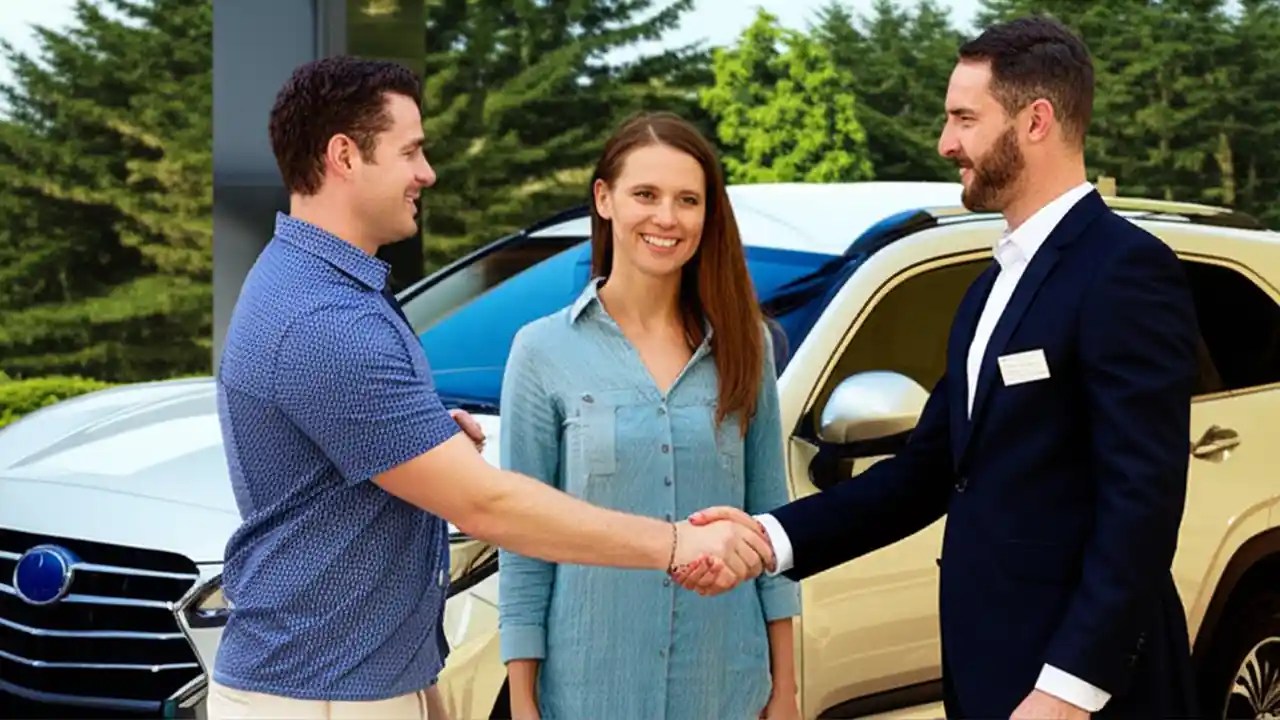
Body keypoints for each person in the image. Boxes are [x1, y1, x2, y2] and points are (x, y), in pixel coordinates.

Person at [209, 57, 773, 720]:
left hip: (353, 683)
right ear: (343, 156)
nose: (427, 173)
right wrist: (677, 543)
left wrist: (420, 436)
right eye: (411, 151)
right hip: (326, 697)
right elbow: (486, 507)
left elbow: (336, 450)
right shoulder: (325, 319)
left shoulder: (317, 287)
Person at [681, 16, 1201, 720]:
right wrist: (765, 539)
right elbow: (926, 472)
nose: (945, 142)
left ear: (1036, 120)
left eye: (964, 118)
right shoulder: (991, 285)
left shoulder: (1126, 272)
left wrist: (1069, 691)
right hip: (989, 674)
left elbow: (1140, 507)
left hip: (1083, 695)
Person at [496, 111, 802, 720]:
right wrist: (524, 703)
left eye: (688, 200)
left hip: (725, 689)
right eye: (646, 195)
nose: (667, 218)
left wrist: (785, 692)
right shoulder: (540, 351)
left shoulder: (749, 346)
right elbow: (522, 545)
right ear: (604, 199)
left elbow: (773, 526)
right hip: (588, 694)